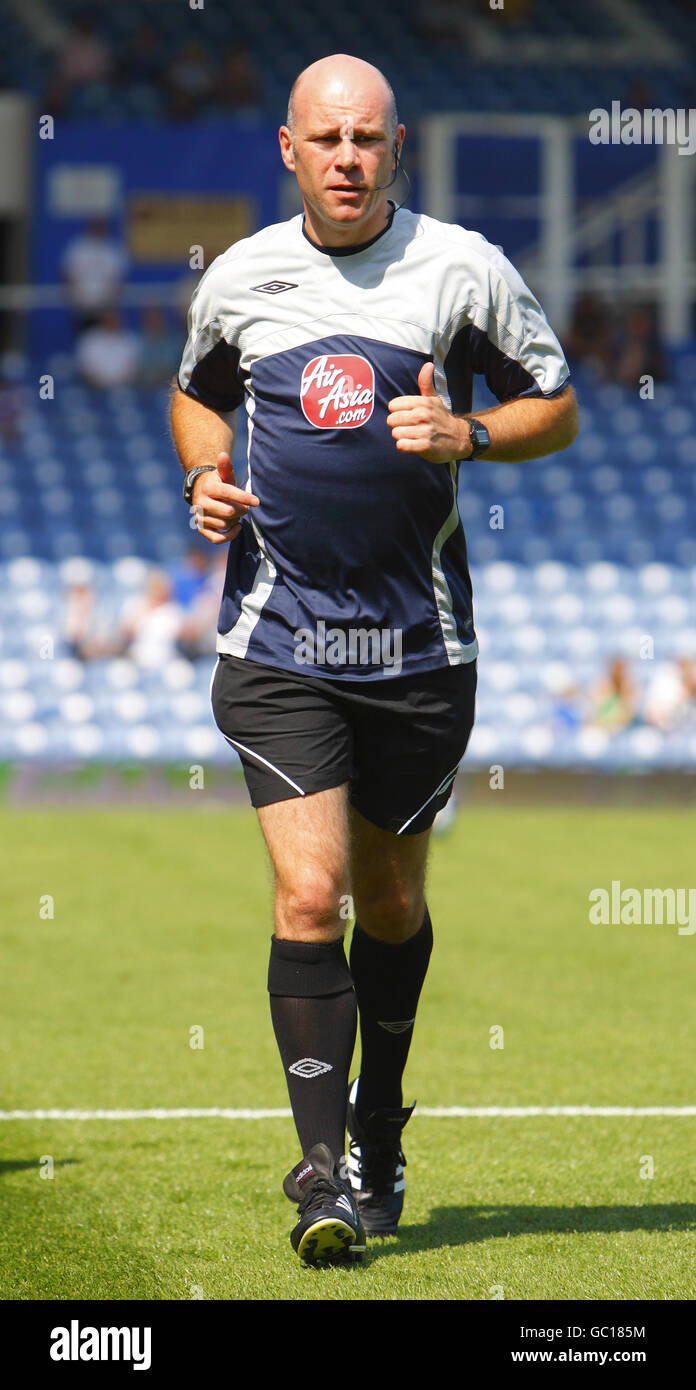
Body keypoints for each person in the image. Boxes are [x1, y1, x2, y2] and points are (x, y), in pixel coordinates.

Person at [170, 53, 578, 1267]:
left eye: (368, 139)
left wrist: (473, 431)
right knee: (311, 895)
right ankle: (321, 1173)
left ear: (397, 147)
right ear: (287, 150)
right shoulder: (241, 277)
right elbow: (195, 396)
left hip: (416, 651)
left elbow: (555, 404)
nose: (347, 157)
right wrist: (203, 473)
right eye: (325, 139)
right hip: (280, 642)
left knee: (393, 902)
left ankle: (379, 1123)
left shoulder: (464, 270)